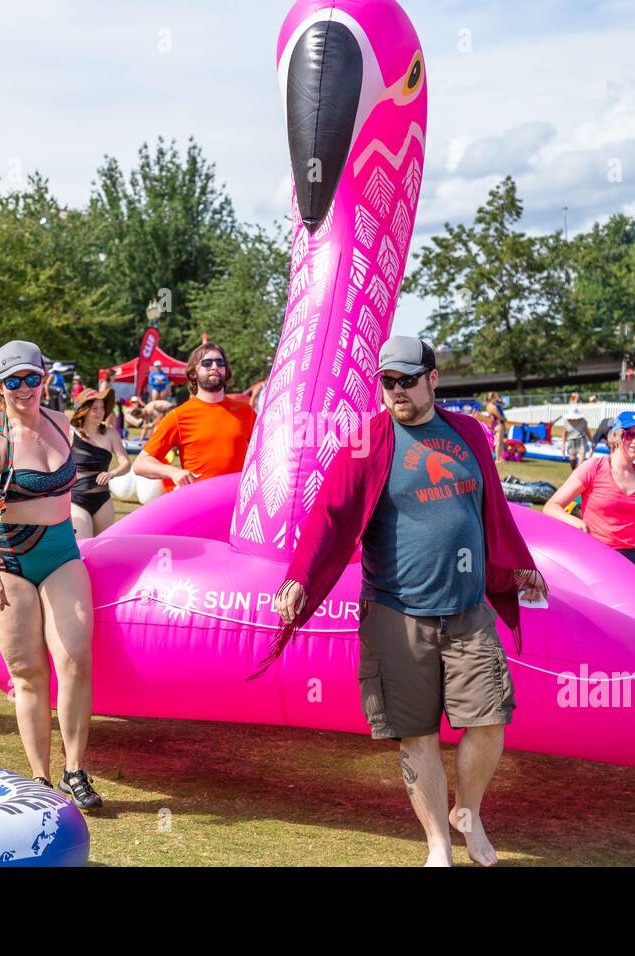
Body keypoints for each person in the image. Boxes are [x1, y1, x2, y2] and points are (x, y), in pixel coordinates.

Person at [268, 335, 547, 867]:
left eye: (406, 381)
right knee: (416, 736)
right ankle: (437, 846)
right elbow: (326, 512)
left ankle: (467, 811)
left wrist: (519, 566)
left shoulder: (468, 433)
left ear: (433, 380)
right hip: (397, 614)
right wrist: (298, 577)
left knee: (489, 721)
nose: (395, 391)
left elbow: (493, 511)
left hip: (467, 611)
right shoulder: (366, 440)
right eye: (387, 382)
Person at [0, 340, 101, 810]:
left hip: (62, 551)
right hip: (10, 560)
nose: (24, 389)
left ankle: (74, 770)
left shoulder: (62, 424)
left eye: (32, 378)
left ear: (44, 377)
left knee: (75, 659)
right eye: (13, 381)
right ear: (1, 385)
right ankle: (39, 779)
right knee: (28, 671)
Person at [544, 411, 635, 584]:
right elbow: (551, 507)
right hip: (596, 558)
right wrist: (575, 522)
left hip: (633, 562)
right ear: (616, 436)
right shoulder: (593, 467)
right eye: (630, 434)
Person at [134, 342, 256, 491]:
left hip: (237, 503)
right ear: (193, 373)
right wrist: (173, 472)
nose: (215, 367)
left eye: (220, 362)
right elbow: (141, 464)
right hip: (199, 505)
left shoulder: (246, 412)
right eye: (207, 363)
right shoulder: (178, 416)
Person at [68, 388, 131, 539]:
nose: (100, 412)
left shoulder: (110, 433)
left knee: (104, 548)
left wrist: (112, 473)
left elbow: (126, 463)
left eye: (102, 408)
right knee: (84, 548)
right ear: (84, 410)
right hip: (77, 499)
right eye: (94, 408)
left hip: (103, 500)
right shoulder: (70, 433)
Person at [555, 397, 590, 470]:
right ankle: (575, 475)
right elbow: (564, 435)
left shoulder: (583, 421)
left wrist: (592, 440)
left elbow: (587, 431)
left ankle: (578, 477)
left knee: (580, 463)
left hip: (581, 440)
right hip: (571, 441)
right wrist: (563, 447)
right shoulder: (566, 422)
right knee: (573, 463)